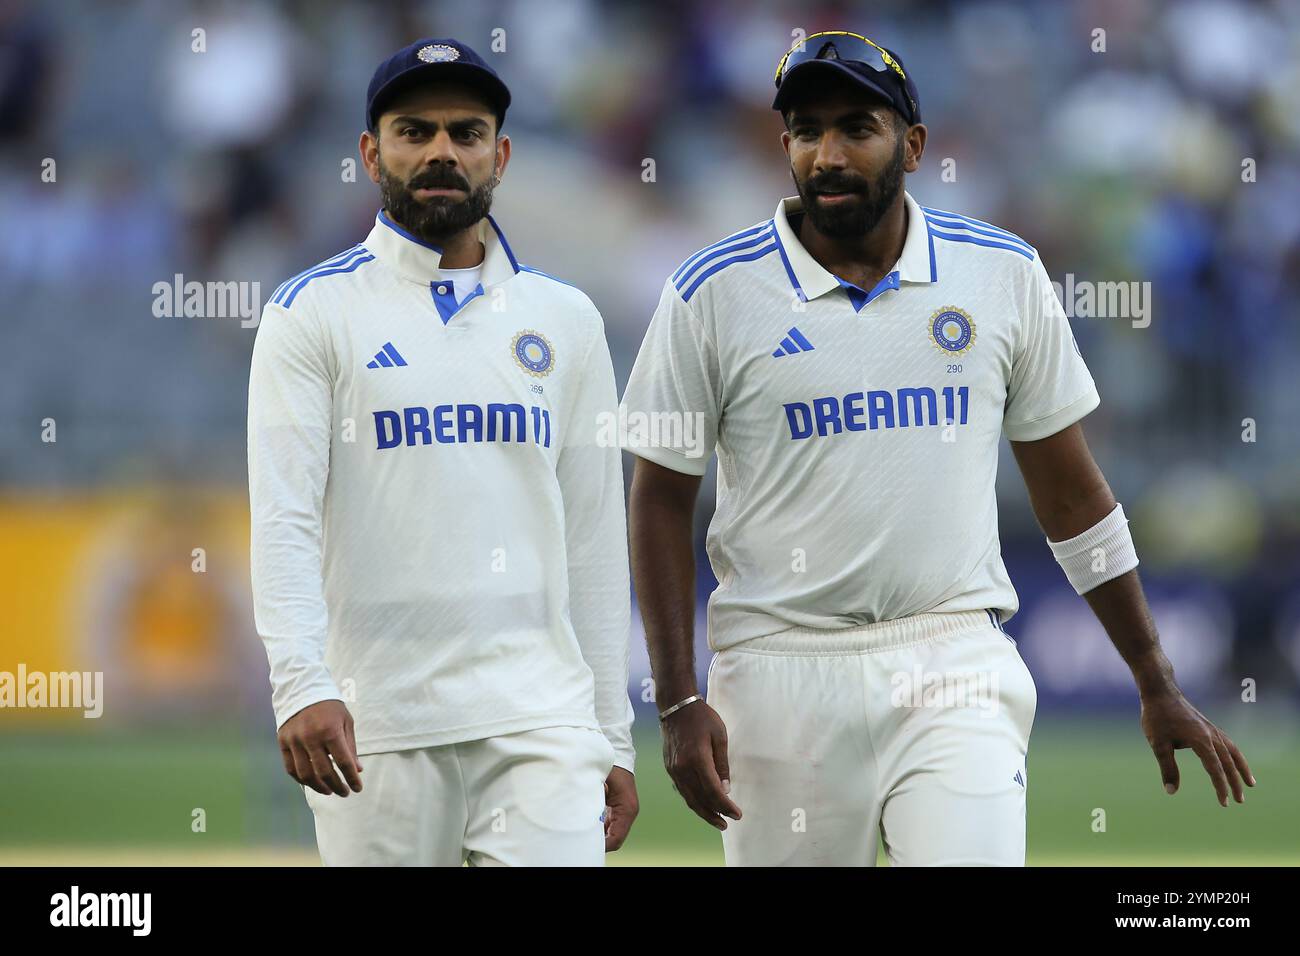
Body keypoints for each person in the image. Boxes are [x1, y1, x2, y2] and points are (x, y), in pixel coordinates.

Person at [620, 30, 1252, 866]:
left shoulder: (1002, 273)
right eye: (807, 131)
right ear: (784, 147)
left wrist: (1154, 678)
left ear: (913, 146)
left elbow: (1070, 494)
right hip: (779, 670)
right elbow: (659, 494)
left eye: (857, 127)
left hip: (954, 655)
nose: (829, 154)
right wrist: (676, 700)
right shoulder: (710, 292)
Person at [247, 37, 637, 866]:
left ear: (499, 154)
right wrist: (302, 682)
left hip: (541, 723)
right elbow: (281, 516)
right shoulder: (309, 313)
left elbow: (597, 538)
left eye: (464, 133)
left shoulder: (565, 319)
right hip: (375, 728)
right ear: (369, 153)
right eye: (412, 131)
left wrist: (612, 734)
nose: (438, 152)